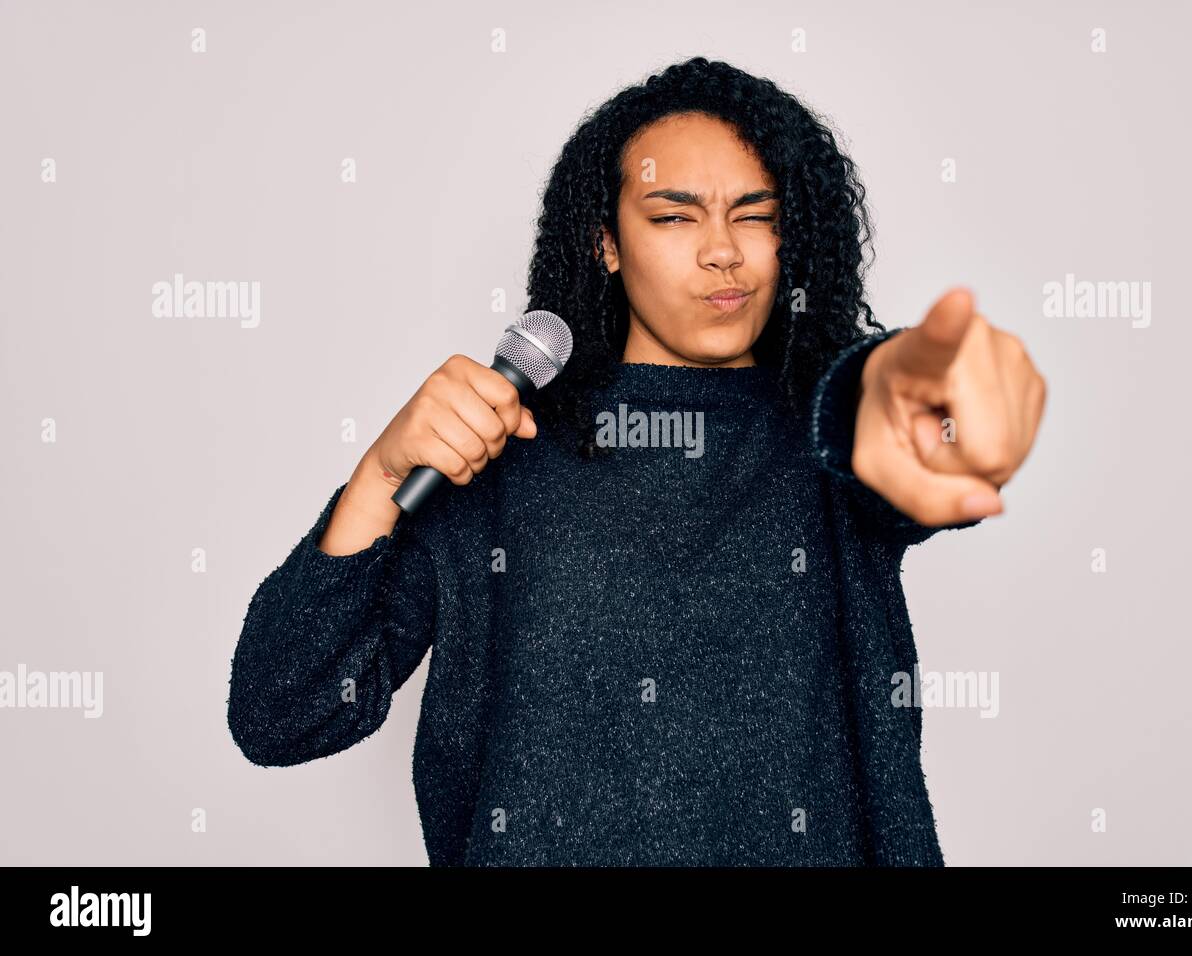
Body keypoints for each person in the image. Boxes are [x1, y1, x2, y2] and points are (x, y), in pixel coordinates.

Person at [226, 56, 1045, 866]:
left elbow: (912, 431)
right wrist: (377, 479)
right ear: (606, 243)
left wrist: (945, 409)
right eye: (675, 216)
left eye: (755, 215)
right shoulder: (500, 451)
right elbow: (281, 715)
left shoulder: (835, 435)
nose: (723, 252)